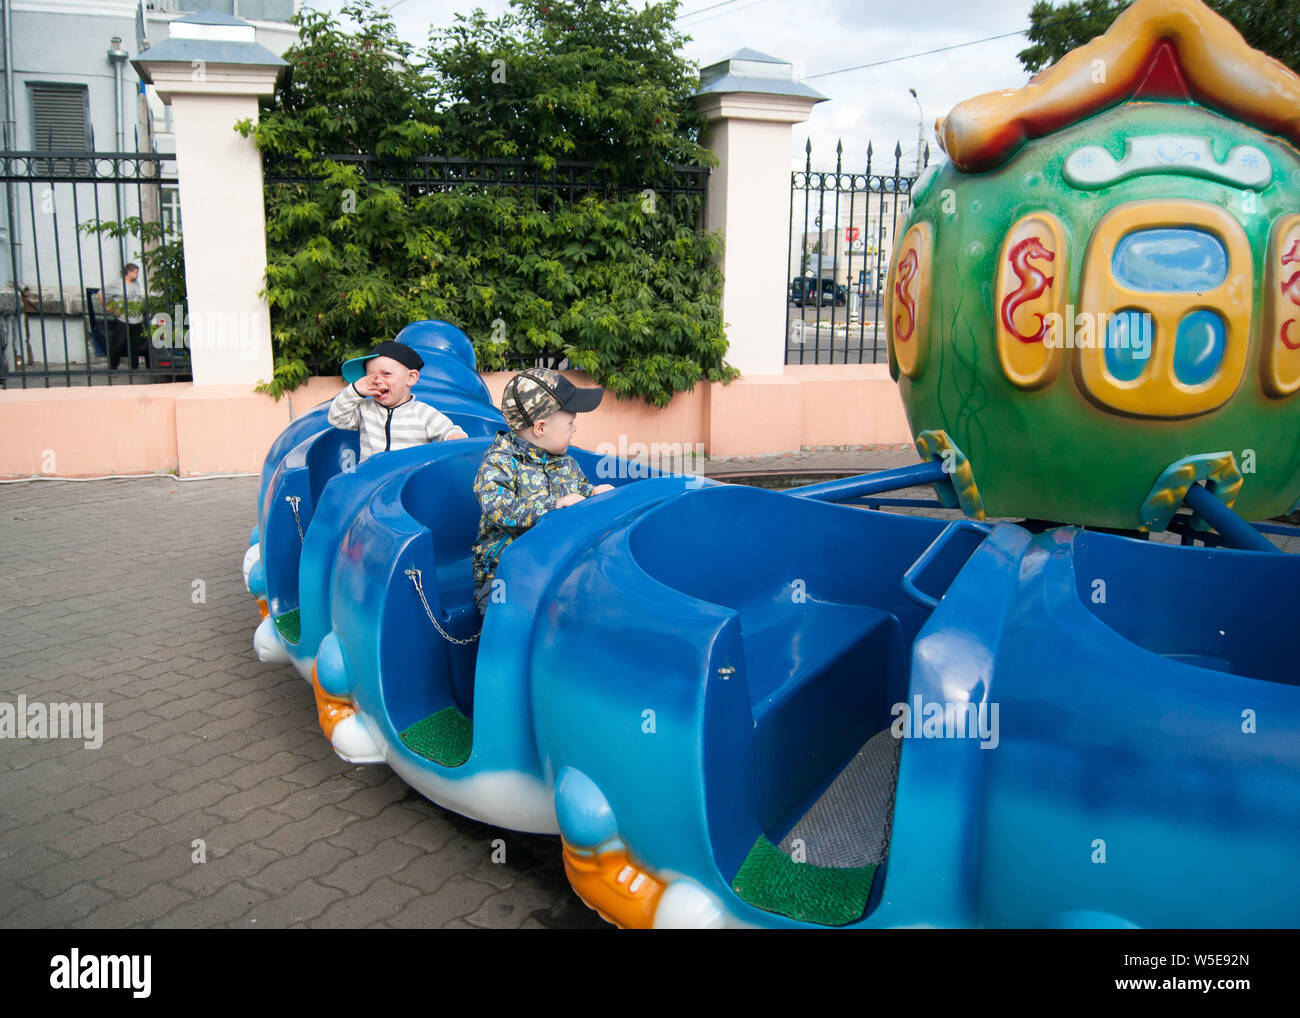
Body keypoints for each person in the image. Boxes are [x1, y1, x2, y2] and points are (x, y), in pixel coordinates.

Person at [471, 367, 614, 615]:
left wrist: (594, 495)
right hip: (505, 570)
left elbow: (578, 491)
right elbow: (498, 508)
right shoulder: (499, 462)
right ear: (540, 428)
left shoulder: (566, 462)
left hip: (558, 564)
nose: (574, 430)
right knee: (503, 616)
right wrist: (553, 507)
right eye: (570, 422)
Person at [327, 340, 468, 461]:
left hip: (406, 480)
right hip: (371, 480)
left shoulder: (423, 413)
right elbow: (337, 418)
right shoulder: (365, 409)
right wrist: (355, 390)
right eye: (371, 376)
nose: (377, 381)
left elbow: (448, 429)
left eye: (386, 374)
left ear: (411, 378)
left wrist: (454, 436)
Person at [102, 263, 147, 370]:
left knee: (134, 344)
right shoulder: (118, 284)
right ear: (129, 272)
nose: (137, 274)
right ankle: (113, 366)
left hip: (137, 319)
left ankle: (134, 367)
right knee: (119, 343)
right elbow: (101, 293)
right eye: (135, 272)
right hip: (123, 319)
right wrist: (109, 308)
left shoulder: (136, 283)